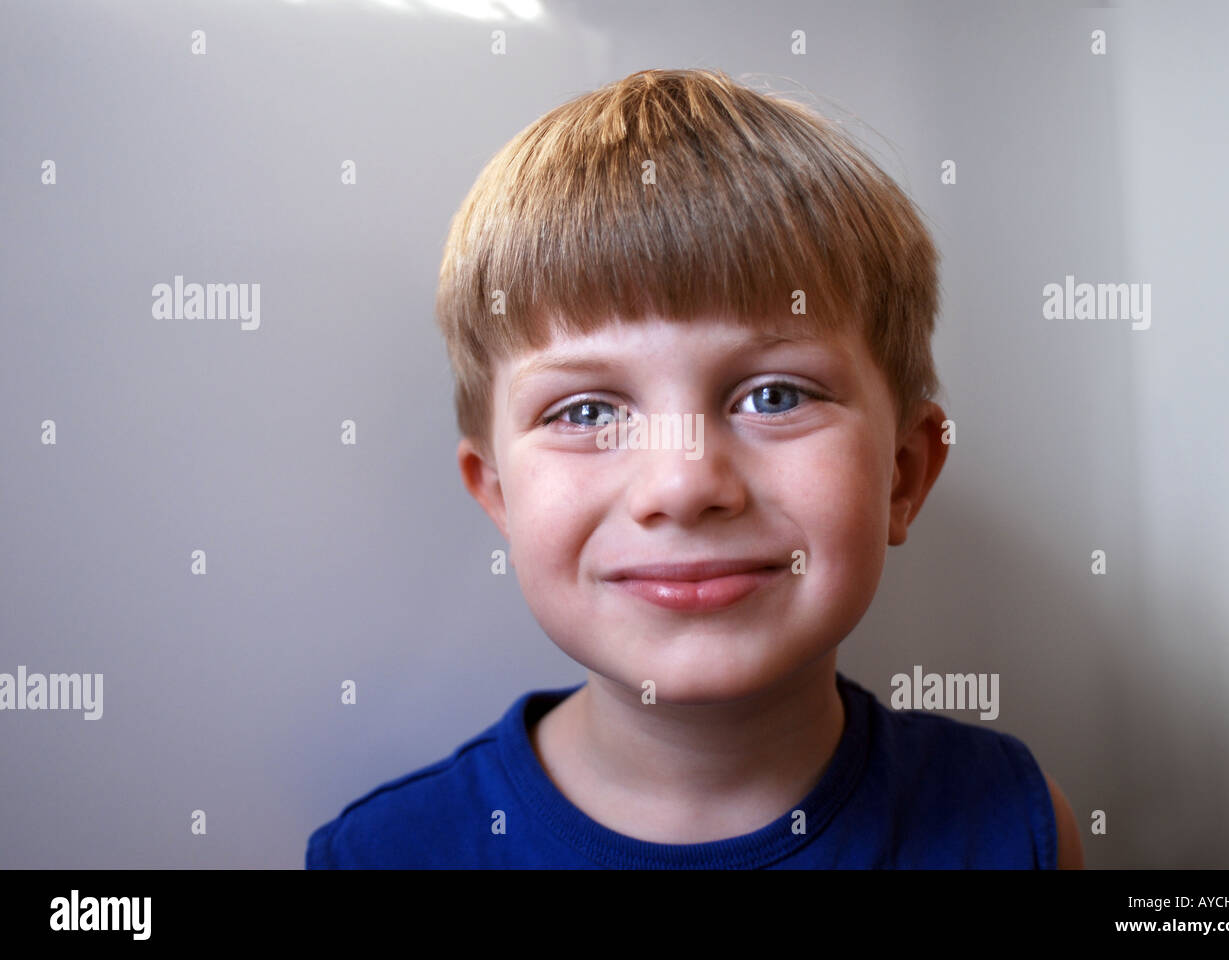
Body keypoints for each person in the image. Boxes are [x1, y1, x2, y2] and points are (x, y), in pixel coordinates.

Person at [307, 67, 1085, 869]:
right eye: (586, 413)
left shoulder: (1015, 826)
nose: (682, 486)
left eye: (776, 396)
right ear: (499, 495)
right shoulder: (381, 857)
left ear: (903, 474)